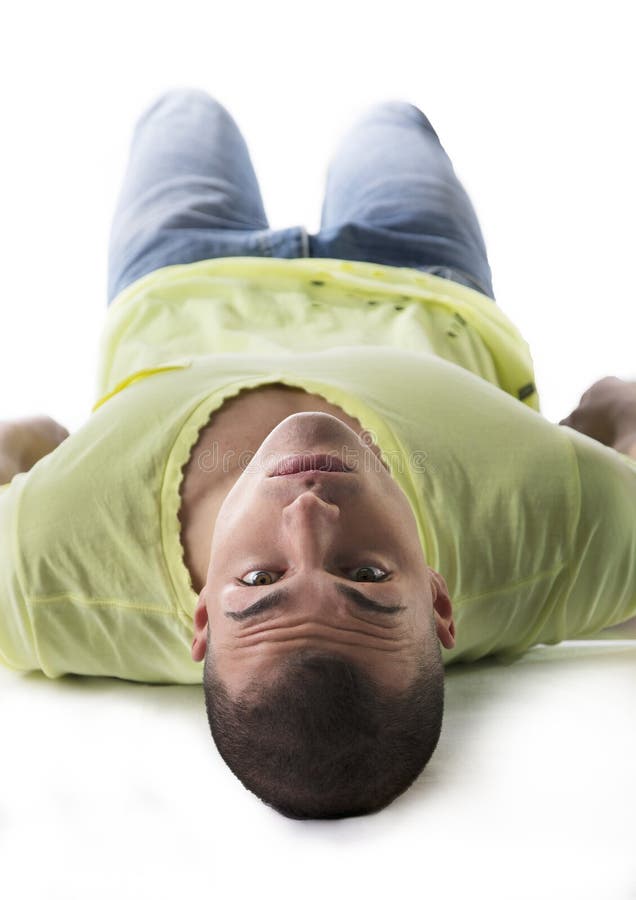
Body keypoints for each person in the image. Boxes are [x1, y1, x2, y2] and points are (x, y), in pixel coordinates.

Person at [1, 88, 635, 820]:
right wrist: (600, 424)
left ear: (200, 620)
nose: (308, 513)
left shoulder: (48, 584)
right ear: (438, 601)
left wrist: (50, 458)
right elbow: (619, 401)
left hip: (181, 280)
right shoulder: (542, 547)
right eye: (364, 573)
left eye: (261, 577)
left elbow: (22, 443)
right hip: (416, 274)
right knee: (389, 118)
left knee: (185, 111)